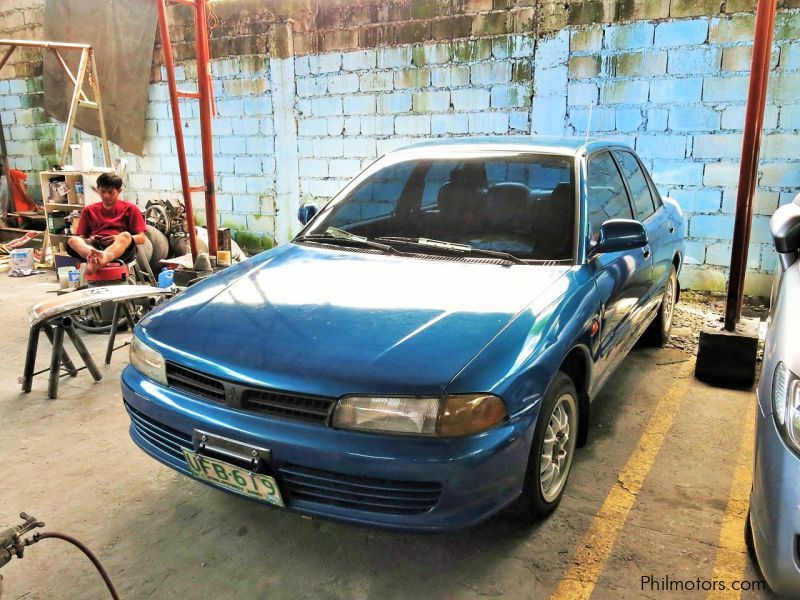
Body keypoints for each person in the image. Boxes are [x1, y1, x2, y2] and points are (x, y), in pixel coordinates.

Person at [67, 173, 146, 275]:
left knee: (125, 235)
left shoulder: (130, 209)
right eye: (103, 191)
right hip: (93, 247)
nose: (106, 195)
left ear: (119, 191)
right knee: (73, 240)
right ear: (97, 190)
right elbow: (82, 237)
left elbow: (142, 238)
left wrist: (116, 238)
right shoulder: (88, 210)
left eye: (110, 192)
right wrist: (89, 239)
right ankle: (95, 256)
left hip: (119, 249)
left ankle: (103, 257)